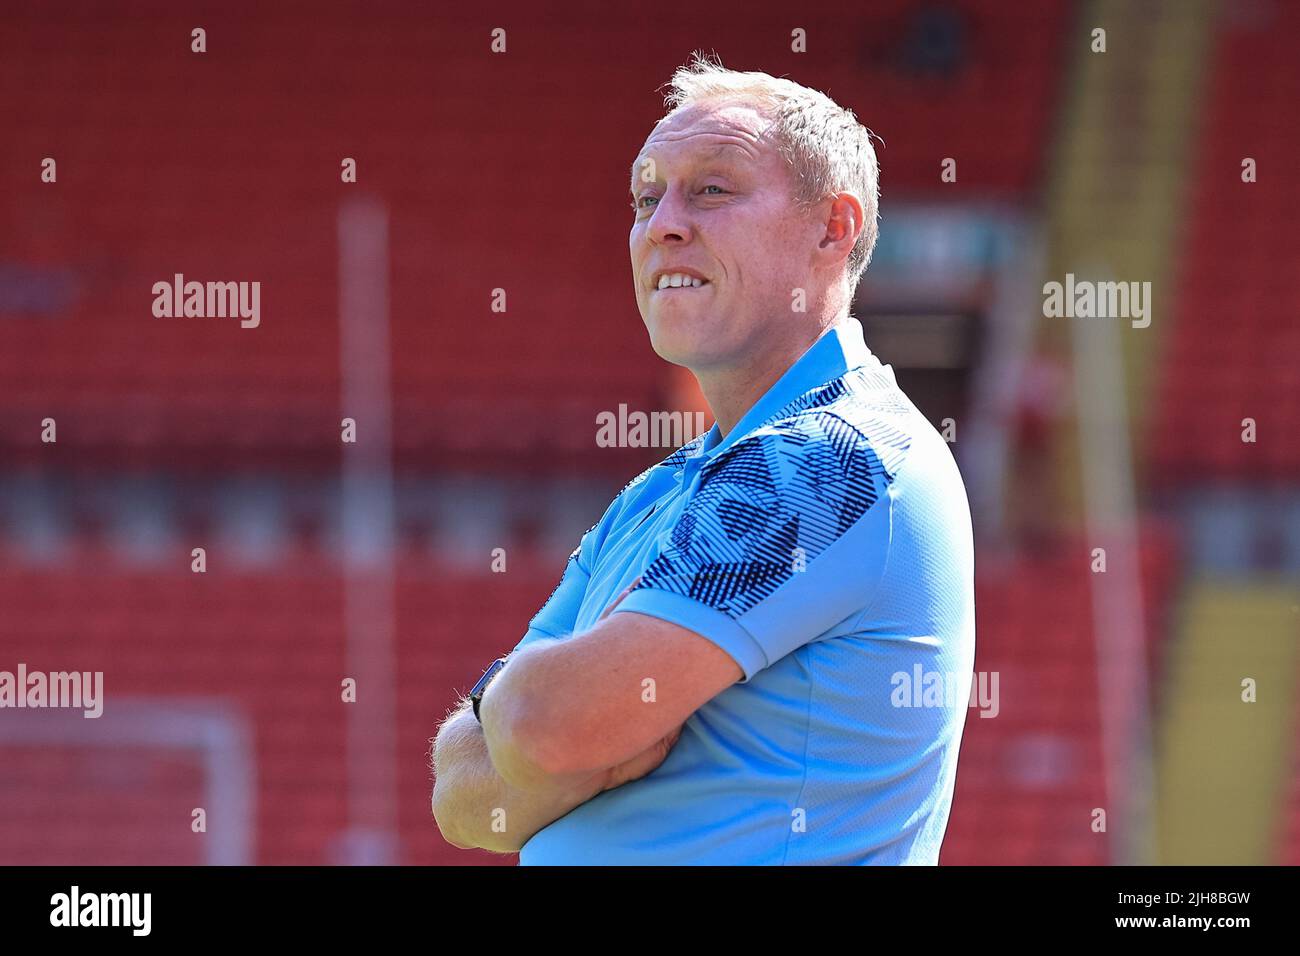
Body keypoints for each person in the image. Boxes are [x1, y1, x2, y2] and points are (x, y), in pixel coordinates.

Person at [431, 53, 974, 865]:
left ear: (835, 227)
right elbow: (463, 800)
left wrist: (544, 723)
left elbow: (544, 729)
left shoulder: (830, 457)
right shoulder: (659, 491)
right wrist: (563, 731)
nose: (662, 225)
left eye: (712, 189)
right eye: (647, 198)